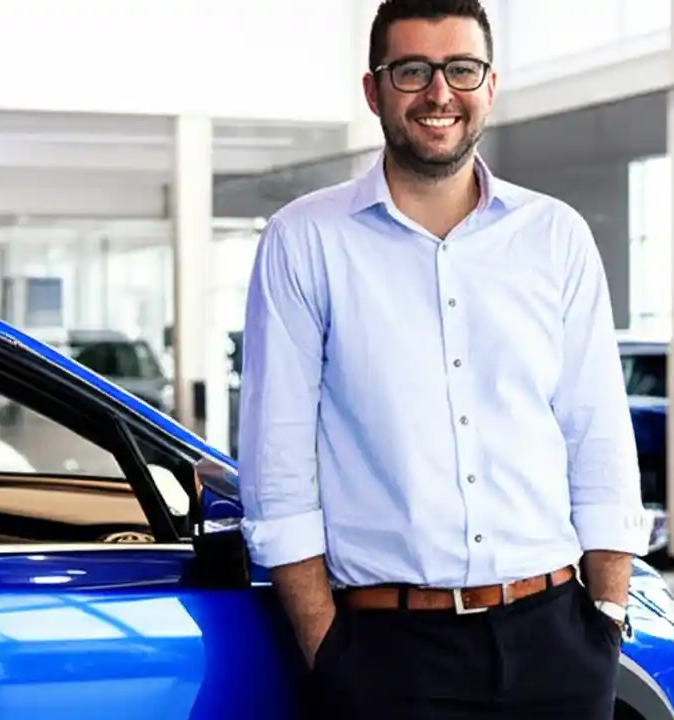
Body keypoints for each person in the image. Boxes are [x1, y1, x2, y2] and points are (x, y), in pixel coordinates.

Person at [236, 1, 653, 718]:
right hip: (385, 652)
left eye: (462, 69)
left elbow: (598, 434)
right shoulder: (305, 239)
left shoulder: (554, 236)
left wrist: (606, 616)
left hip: (556, 639)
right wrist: (325, 646)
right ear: (374, 90)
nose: (439, 93)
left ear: (489, 86)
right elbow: (279, 463)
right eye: (412, 71)